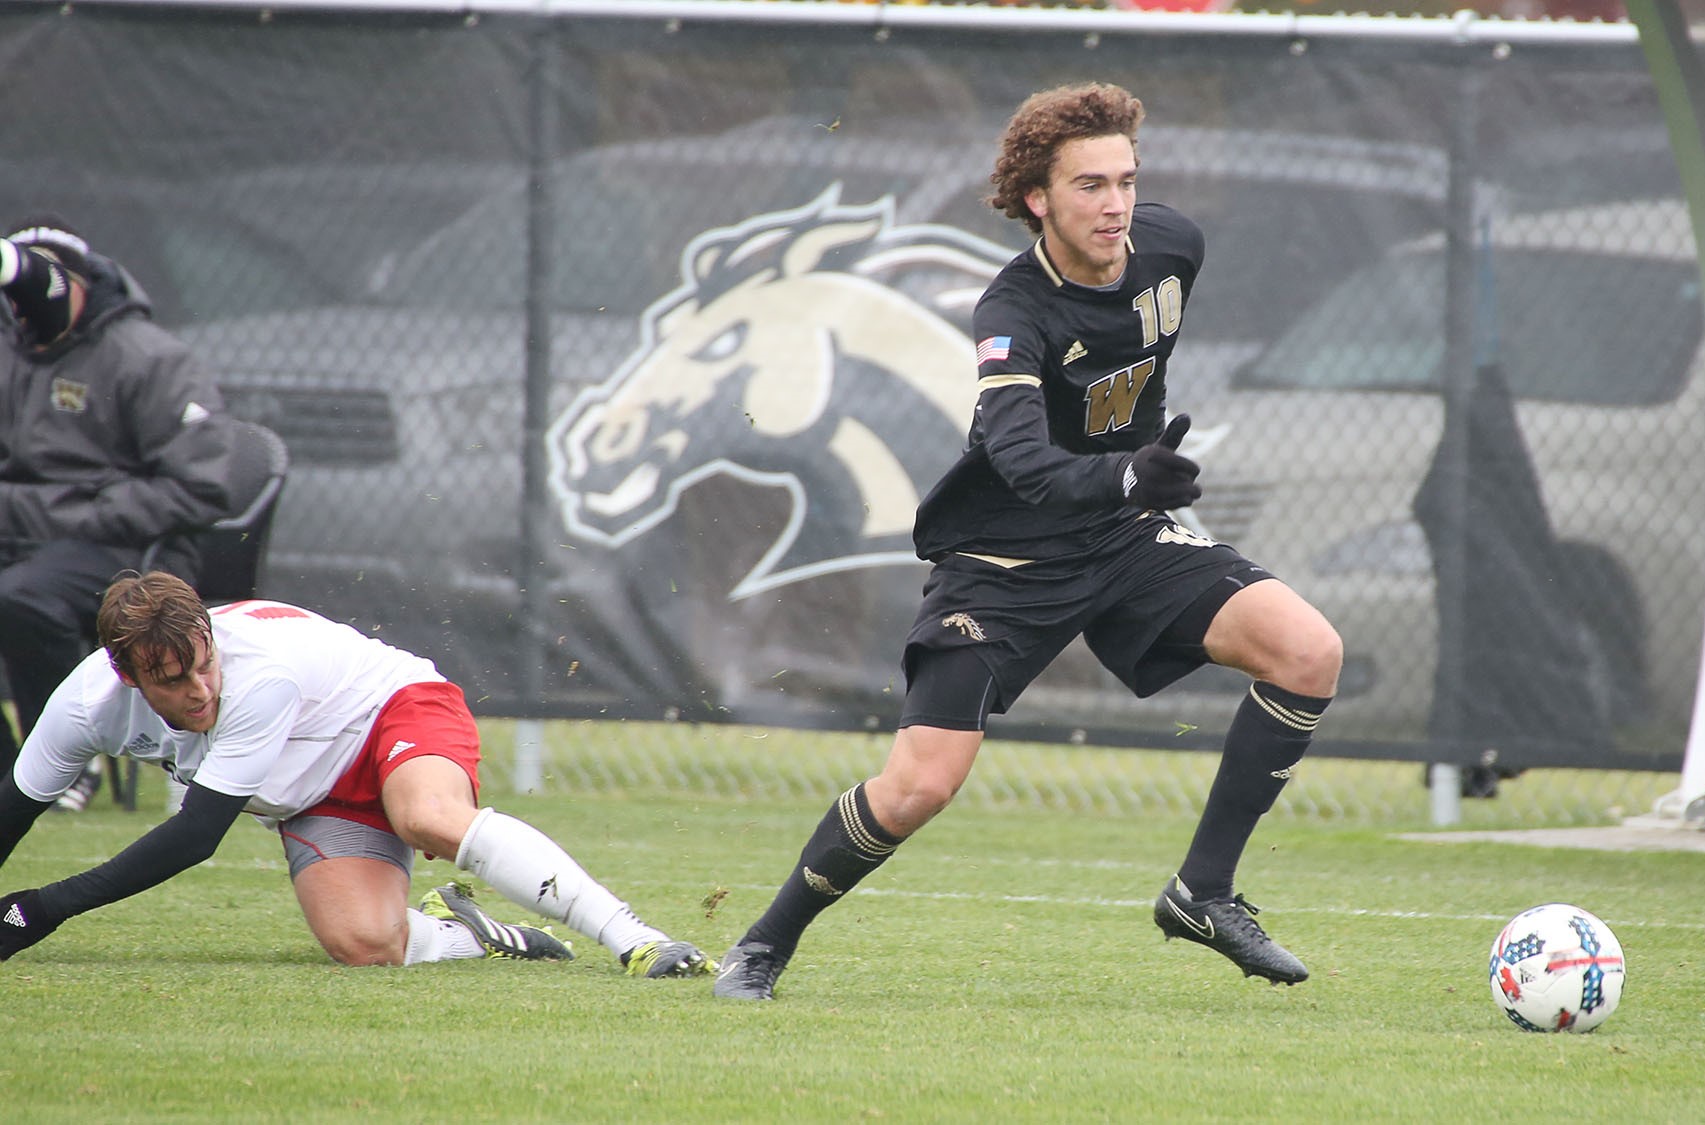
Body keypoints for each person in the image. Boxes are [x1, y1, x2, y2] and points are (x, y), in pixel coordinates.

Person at [711, 82, 1344, 1001]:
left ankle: (1202, 892)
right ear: (1037, 199)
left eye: (1126, 179)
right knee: (921, 785)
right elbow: (1022, 460)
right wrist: (1131, 474)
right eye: (1089, 185)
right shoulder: (1013, 312)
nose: (1116, 203)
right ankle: (765, 943)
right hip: (1006, 560)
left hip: (1123, 540)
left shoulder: (1173, 248)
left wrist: (1134, 485)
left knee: (1307, 651)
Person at [0, 570, 715, 976]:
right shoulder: (85, 703)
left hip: (393, 712)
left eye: (205, 662)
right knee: (364, 945)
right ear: (126, 676)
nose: (200, 690)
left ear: (212, 638)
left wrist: (40, 907)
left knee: (425, 816)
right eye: (172, 679)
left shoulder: (259, 678)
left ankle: (635, 938)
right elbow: (16, 804)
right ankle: (476, 933)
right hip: (315, 794)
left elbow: (195, 835)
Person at [0, 216, 245, 810]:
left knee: (21, 597)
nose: (26, 317)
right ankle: (14, 774)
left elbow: (202, 487)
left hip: (130, 553)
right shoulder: (13, 349)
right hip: (26, 539)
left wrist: (62, 514)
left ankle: (61, 763)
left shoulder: (148, 358)